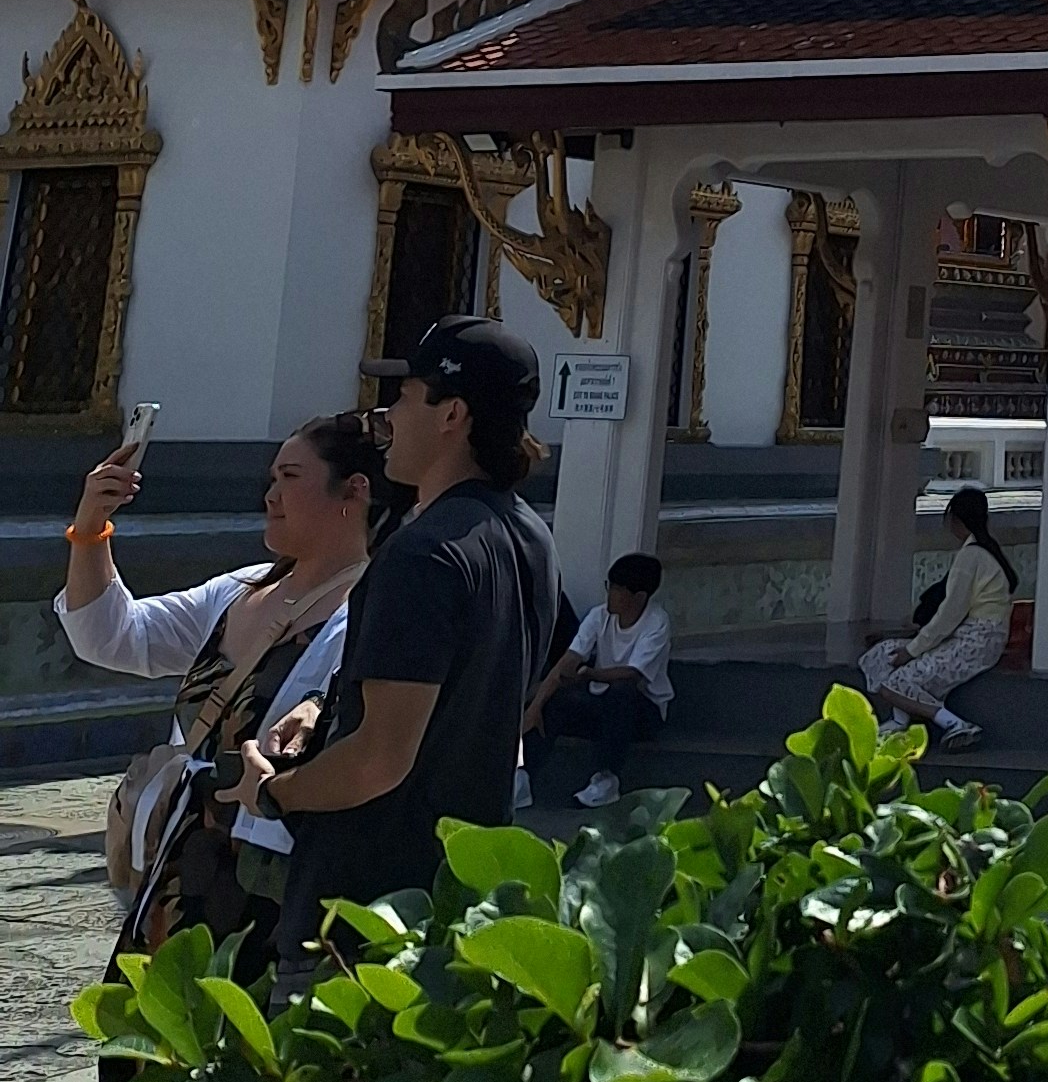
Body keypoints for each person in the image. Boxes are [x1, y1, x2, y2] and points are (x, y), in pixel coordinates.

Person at [240, 321, 557, 968]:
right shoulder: (527, 536)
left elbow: (380, 759)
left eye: (407, 395)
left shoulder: (425, 554)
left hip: (365, 917)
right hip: (457, 894)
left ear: (452, 415)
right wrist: (327, 713)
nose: (390, 414)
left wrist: (274, 791)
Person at [62, 413, 380, 1009]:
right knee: (145, 1060)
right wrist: (91, 525)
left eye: (290, 476)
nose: (271, 495)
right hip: (178, 869)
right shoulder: (241, 590)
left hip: (266, 880)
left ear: (354, 491)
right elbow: (112, 636)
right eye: (271, 476)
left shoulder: (367, 613)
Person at [859, 488, 1017, 744]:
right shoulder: (983, 551)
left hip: (976, 642)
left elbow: (949, 614)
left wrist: (912, 650)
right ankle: (900, 721)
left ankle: (955, 723)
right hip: (969, 637)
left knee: (894, 684)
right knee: (883, 652)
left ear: (954, 519)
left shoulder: (972, 556)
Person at [522, 550, 673, 807]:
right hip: (600, 702)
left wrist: (589, 674)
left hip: (641, 714)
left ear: (639, 597)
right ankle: (522, 779)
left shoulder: (656, 623)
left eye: (617, 589)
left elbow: (632, 673)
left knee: (621, 691)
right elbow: (567, 661)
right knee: (556, 699)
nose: (609, 594)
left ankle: (606, 777)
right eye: (609, 586)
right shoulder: (598, 616)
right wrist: (535, 706)